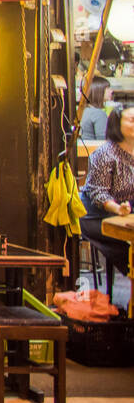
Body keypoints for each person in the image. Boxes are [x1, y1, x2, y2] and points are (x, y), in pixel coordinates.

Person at [79, 105, 134, 286]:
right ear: (117, 125)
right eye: (131, 120)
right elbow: (98, 192)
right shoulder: (105, 153)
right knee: (125, 250)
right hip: (94, 216)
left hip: (122, 215)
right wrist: (118, 208)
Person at [79, 75, 111, 142]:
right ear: (98, 91)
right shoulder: (98, 114)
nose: (111, 91)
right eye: (107, 88)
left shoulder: (85, 111)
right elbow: (103, 142)